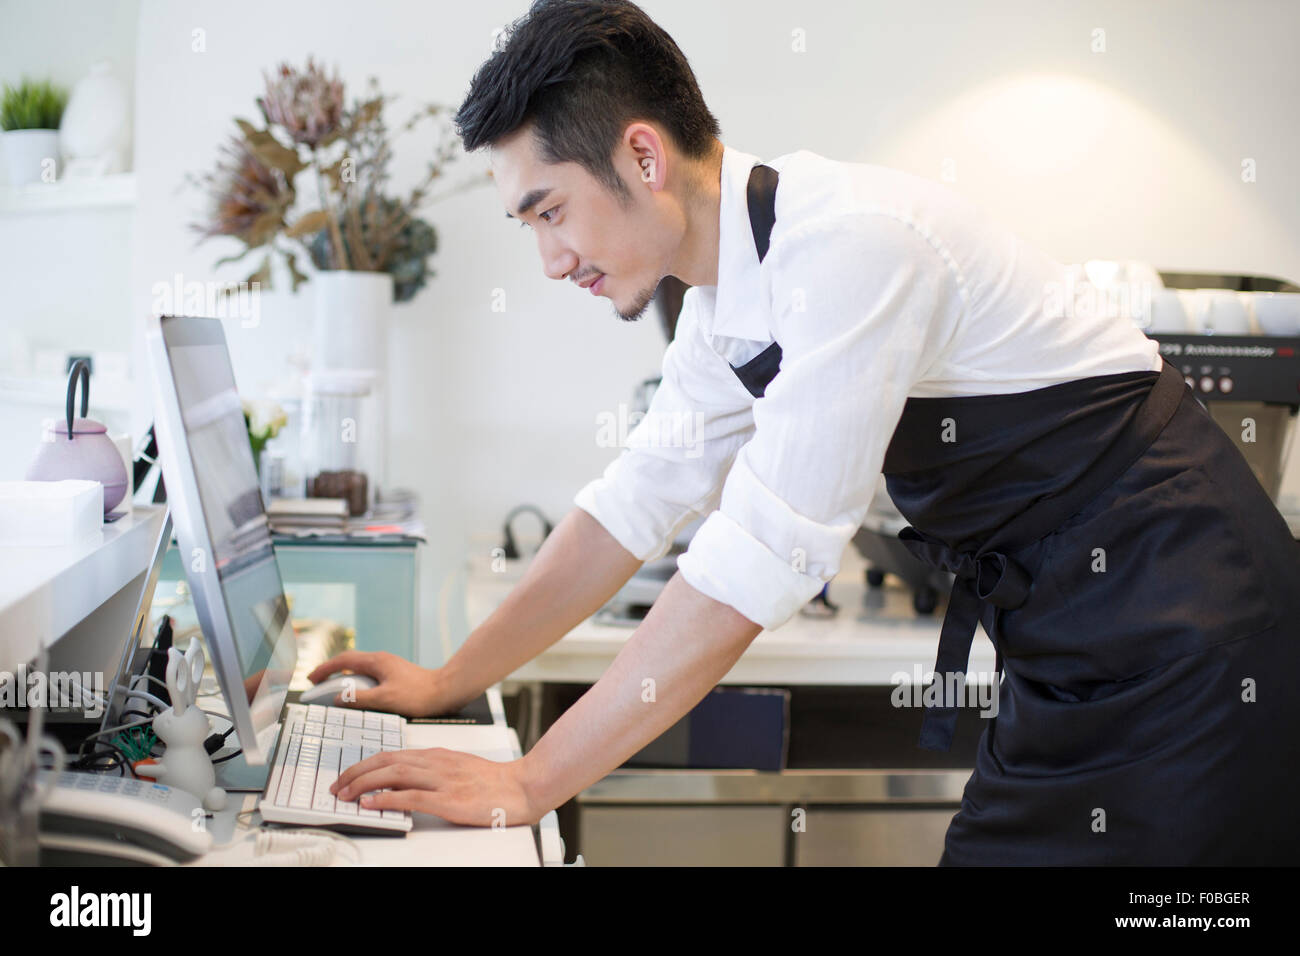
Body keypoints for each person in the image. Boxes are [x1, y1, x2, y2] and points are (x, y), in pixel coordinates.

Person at [315, 0, 1299, 864]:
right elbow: (631, 506)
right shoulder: (721, 304)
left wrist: (530, 779)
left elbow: (754, 560)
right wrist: (450, 677)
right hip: (1067, 654)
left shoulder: (850, 247)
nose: (546, 258)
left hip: (1194, 644)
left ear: (643, 156)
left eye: (550, 211)